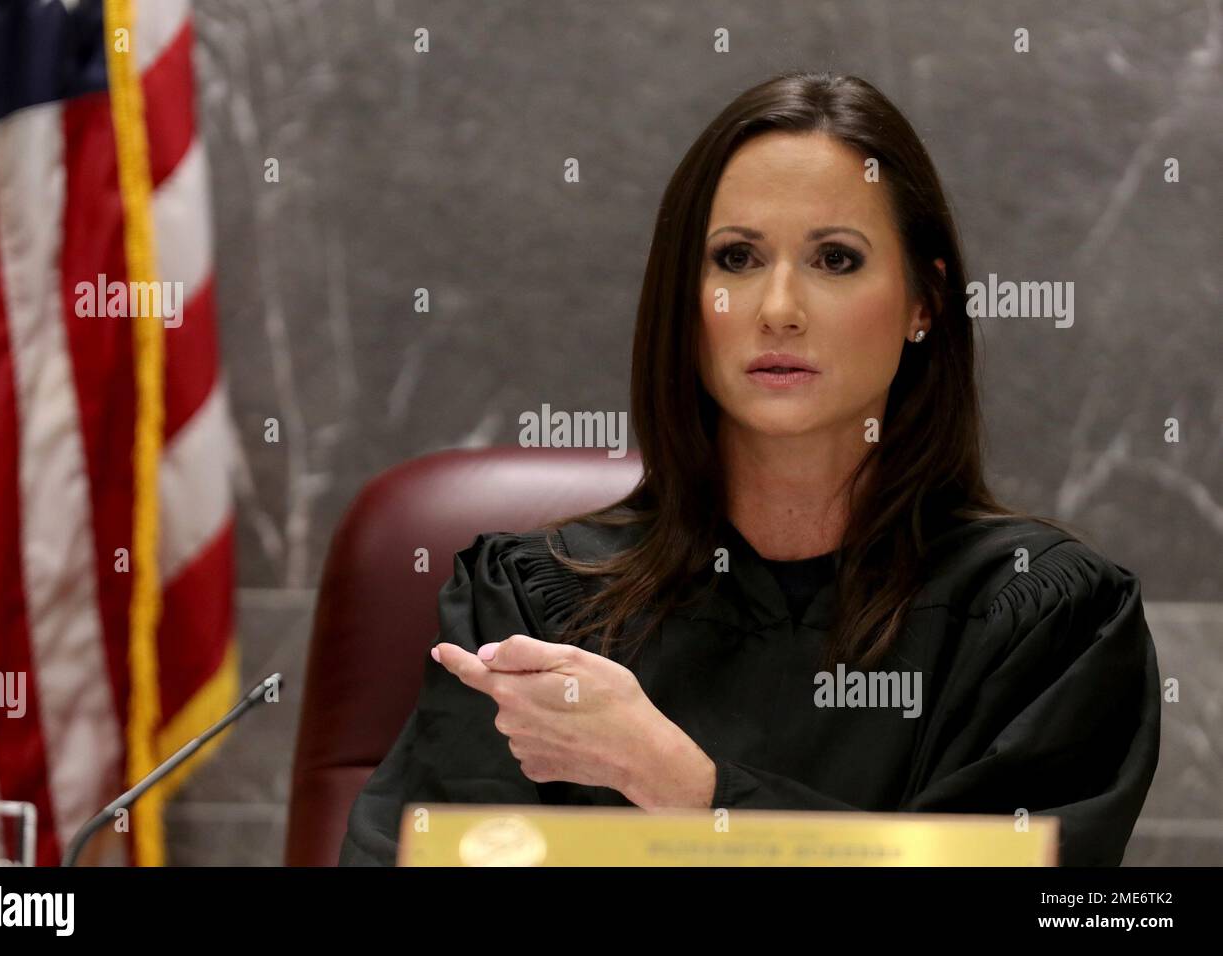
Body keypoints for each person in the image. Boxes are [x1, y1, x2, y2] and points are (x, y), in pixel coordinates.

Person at [338, 72, 1161, 867]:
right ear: (682, 299)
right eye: (735, 259)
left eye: (835, 260)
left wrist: (688, 790)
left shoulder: (1049, 622)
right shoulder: (529, 605)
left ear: (925, 302)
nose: (778, 309)